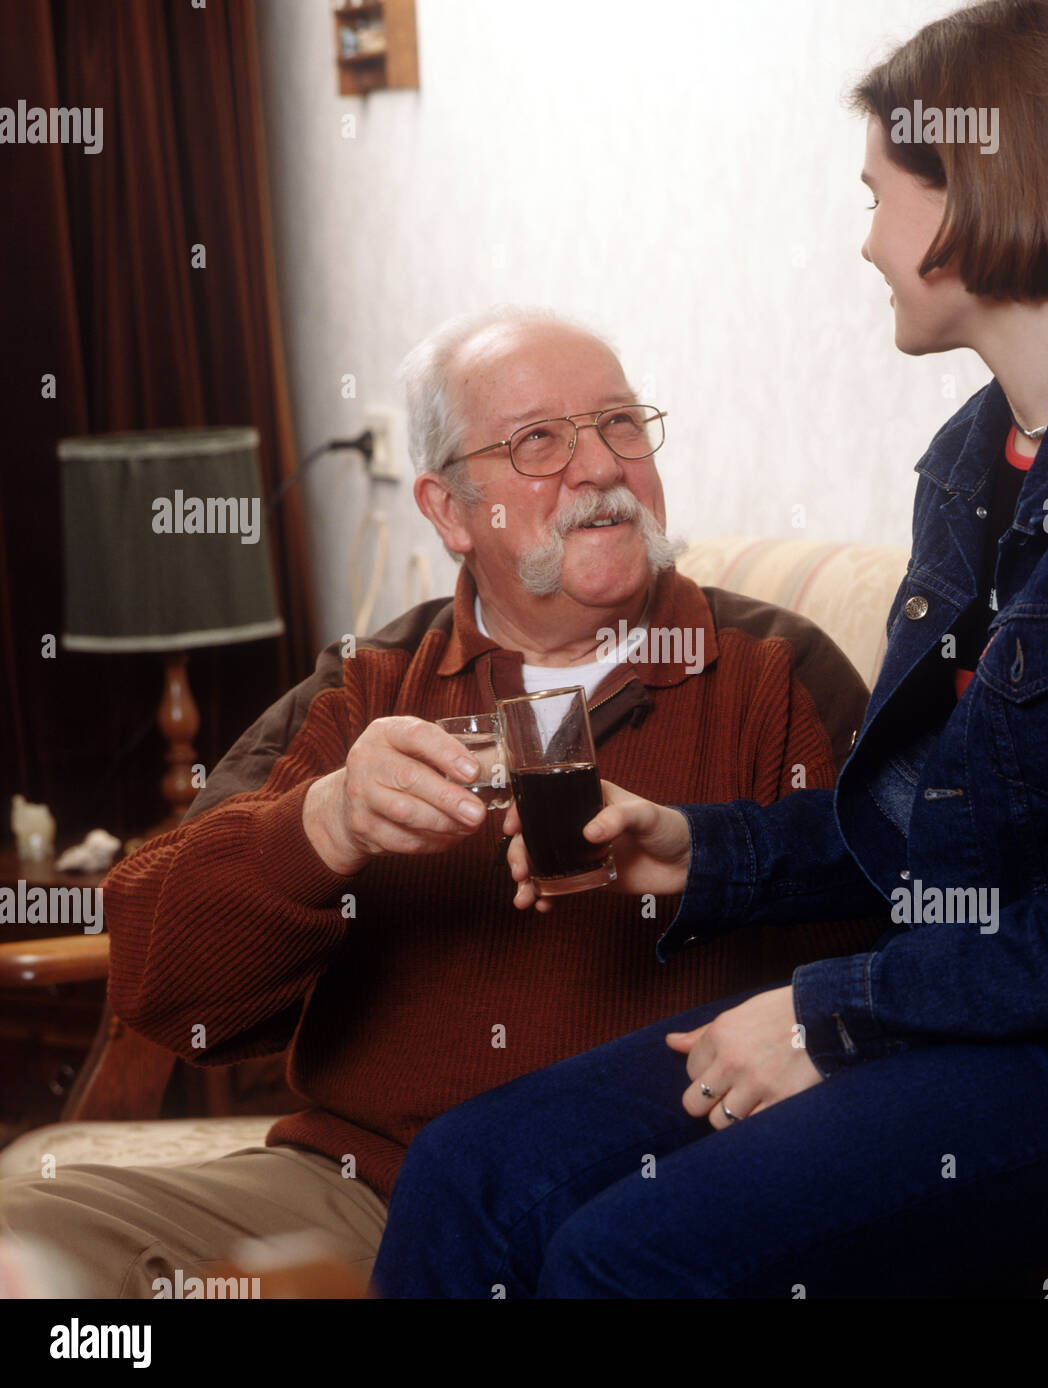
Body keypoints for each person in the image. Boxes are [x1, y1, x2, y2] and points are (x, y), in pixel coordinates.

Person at [371, 0, 1048, 1299]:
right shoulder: (973, 464)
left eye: (879, 193)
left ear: (973, 191)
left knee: (627, 1254)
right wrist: (698, 853)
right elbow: (925, 826)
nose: (865, 241)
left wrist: (834, 1013)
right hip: (951, 1001)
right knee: (470, 1170)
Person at [0, 307, 874, 1297]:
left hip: (640, 1195)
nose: (599, 467)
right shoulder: (368, 684)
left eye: (621, 425)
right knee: (28, 1241)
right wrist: (322, 827)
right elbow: (158, 971)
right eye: (539, 439)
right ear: (449, 509)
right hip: (359, 1187)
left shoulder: (774, 674)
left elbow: (892, 958)